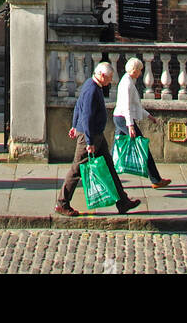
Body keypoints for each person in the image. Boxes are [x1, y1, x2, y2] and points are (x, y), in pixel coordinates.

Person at [55, 61, 140, 217]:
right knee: (76, 170)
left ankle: (122, 201)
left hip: (96, 136)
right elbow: (86, 116)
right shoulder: (92, 90)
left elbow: (78, 107)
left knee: (109, 167)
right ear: (101, 75)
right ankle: (62, 203)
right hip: (90, 136)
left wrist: (74, 125)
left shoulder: (91, 85)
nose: (111, 80)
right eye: (109, 77)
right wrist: (89, 142)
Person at [113, 56, 171, 188]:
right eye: (140, 70)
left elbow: (135, 106)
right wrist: (130, 125)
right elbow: (127, 106)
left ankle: (109, 177)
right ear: (135, 70)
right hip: (123, 119)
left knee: (116, 149)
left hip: (120, 117)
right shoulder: (127, 83)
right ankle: (156, 179)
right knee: (142, 148)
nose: (140, 73)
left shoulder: (127, 80)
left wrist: (148, 116)